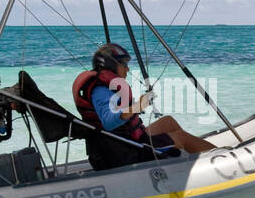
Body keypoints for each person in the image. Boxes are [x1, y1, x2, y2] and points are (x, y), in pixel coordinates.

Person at [72, 43, 215, 170]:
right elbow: (109, 122)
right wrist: (137, 106)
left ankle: (190, 159)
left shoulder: (107, 86)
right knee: (181, 137)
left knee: (168, 121)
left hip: (127, 141)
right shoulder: (100, 91)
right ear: (111, 65)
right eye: (124, 64)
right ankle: (221, 159)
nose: (127, 69)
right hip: (122, 153)